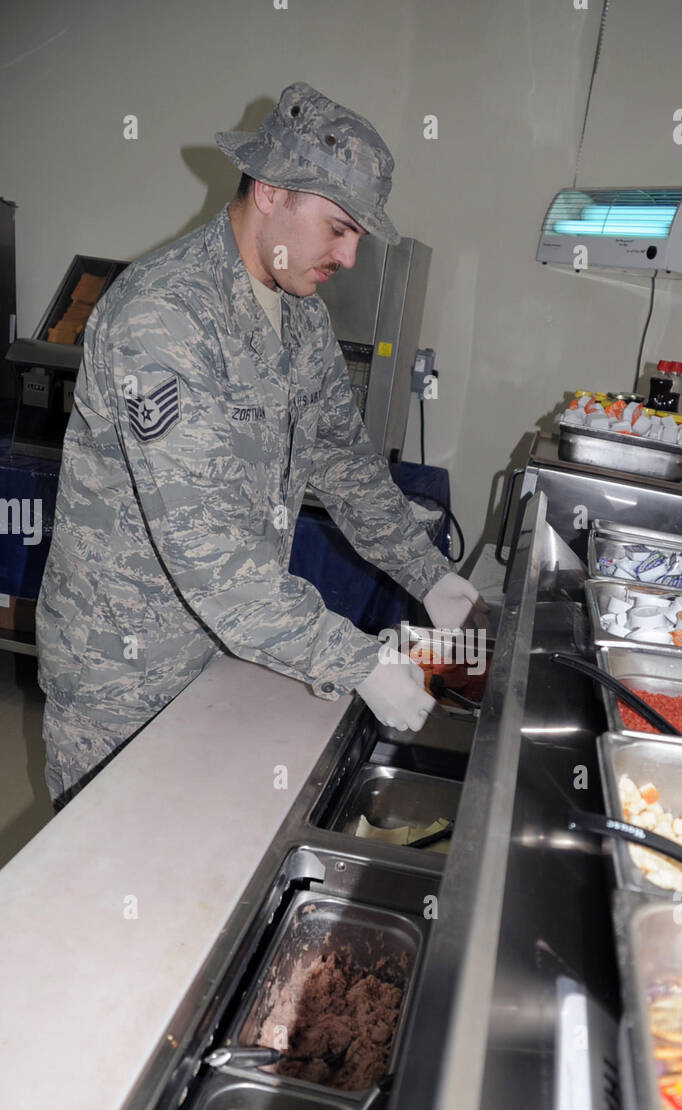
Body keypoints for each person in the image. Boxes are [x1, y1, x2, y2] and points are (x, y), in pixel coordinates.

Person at [36, 82, 480, 809]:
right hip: (124, 676)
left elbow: (342, 460)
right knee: (118, 880)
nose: (348, 254)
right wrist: (358, 661)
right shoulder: (165, 318)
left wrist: (427, 573)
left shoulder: (297, 315)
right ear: (272, 191)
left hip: (222, 651)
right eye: (338, 227)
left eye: (359, 236)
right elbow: (206, 553)